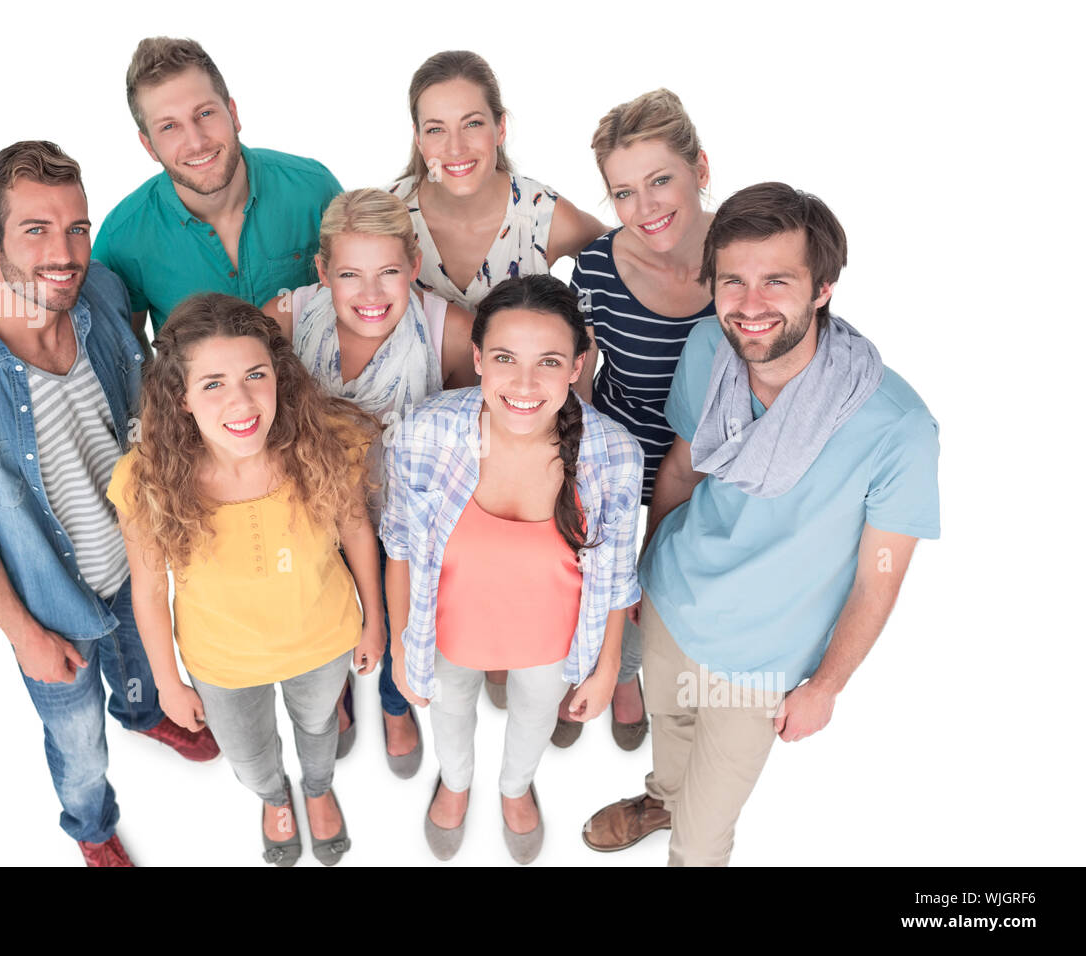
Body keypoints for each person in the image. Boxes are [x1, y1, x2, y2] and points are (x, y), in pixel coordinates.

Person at [580, 183, 941, 866]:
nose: (749, 306)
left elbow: (879, 576)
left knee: (705, 835)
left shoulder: (897, 427)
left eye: (777, 281)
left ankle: (683, 832)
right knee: (671, 731)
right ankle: (661, 797)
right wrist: (643, 581)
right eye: (733, 281)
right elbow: (683, 472)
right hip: (673, 601)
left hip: (760, 663)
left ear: (823, 288)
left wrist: (826, 686)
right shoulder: (708, 346)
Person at [0, 141, 219, 868]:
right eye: (35, 230)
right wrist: (26, 637)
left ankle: (144, 713)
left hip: (134, 566)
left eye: (77, 227)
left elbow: (137, 418)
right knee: (75, 743)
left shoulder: (98, 291)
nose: (64, 252)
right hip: (51, 605)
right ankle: (92, 826)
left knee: (141, 668)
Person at [108, 294, 385, 866]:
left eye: (256, 374)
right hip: (221, 664)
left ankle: (316, 787)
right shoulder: (147, 478)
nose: (242, 399)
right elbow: (148, 589)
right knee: (251, 752)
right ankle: (272, 796)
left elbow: (358, 532)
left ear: (278, 376)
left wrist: (374, 620)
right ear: (180, 398)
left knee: (318, 726)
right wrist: (167, 682)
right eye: (212, 383)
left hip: (322, 641)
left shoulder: (323, 440)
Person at [382, 275, 643, 864]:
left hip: (549, 638)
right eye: (504, 358)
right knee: (450, 709)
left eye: (548, 361)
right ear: (477, 359)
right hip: (450, 631)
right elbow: (398, 546)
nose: (524, 384)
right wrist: (401, 648)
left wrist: (605, 669)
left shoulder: (615, 454)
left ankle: (516, 786)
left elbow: (618, 578)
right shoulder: (424, 432)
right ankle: (455, 779)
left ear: (578, 365)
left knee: (532, 713)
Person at [388, 49, 609, 708]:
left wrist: (581, 364)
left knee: (530, 553)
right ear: (417, 137)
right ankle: (448, 670)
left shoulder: (541, 212)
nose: (455, 146)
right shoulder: (392, 216)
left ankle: (549, 668)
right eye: (435, 128)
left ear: (501, 127)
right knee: (447, 561)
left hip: (524, 420)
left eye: (472, 124)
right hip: (433, 426)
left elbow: (610, 268)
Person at [261, 188, 477, 775]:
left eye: (388, 272)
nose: (372, 294)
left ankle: (392, 702)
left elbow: (471, 437)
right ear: (322, 271)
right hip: (310, 509)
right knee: (318, 609)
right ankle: (333, 691)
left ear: (414, 264)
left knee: (395, 618)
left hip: (401, 520)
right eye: (350, 274)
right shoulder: (285, 315)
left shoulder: (450, 330)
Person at [563, 89, 715, 750]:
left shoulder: (751, 254)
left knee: (669, 604)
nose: (645, 208)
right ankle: (615, 676)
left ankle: (637, 674)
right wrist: (584, 473)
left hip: (711, 473)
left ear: (700, 170)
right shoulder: (596, 269)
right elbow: (581, 379)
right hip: (623, 461)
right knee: (605, 584)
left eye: (660, 181)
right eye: (623, 193)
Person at [93, 36, 342, 352]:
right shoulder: (122, 237)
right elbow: (121, 357)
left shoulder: (313, 190)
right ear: (148, 145)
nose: (196, 142)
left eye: (205, 113)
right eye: (169, 127)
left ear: (233, 113)